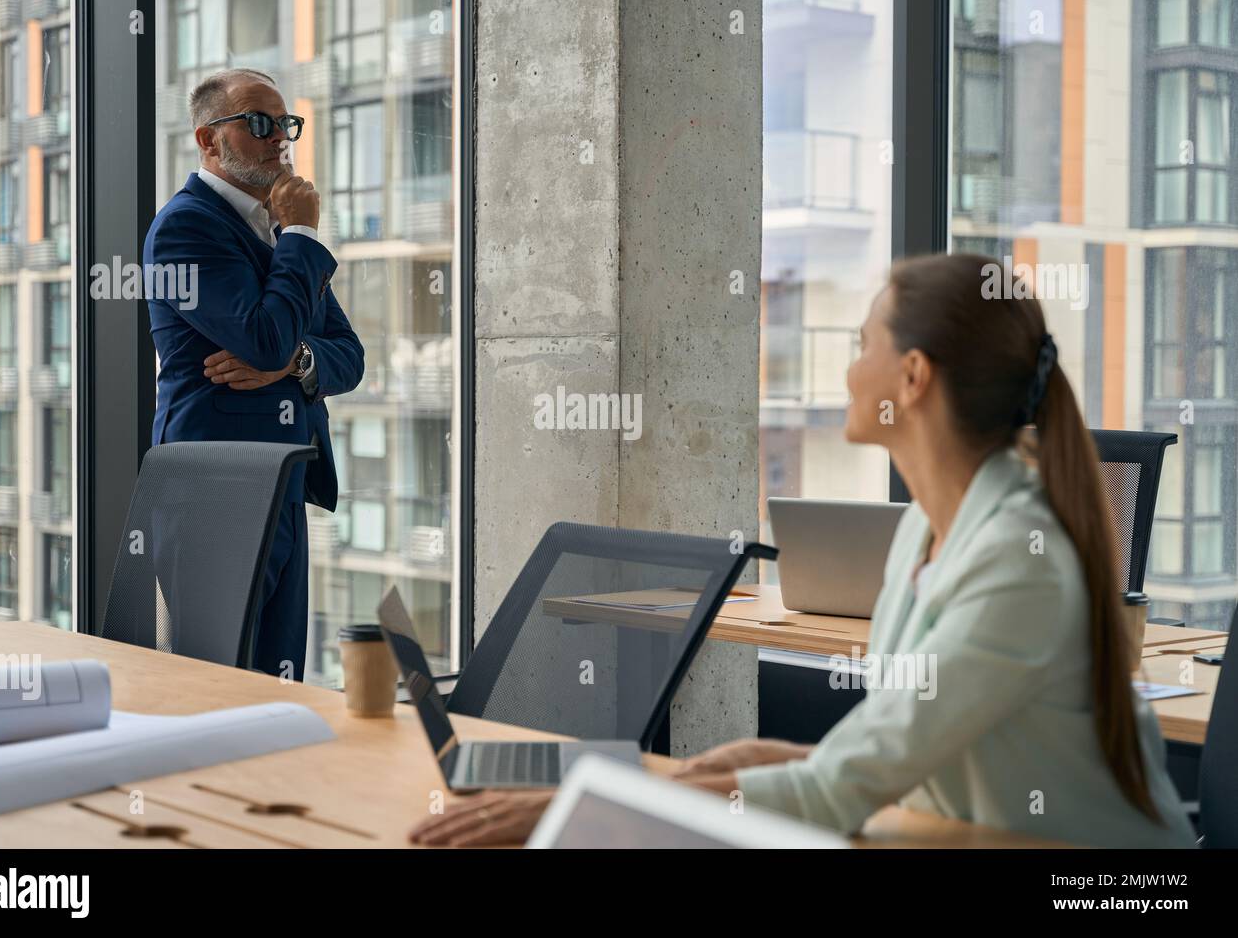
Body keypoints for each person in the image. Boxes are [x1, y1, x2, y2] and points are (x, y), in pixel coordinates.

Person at [411, 253, 1196, 848]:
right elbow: (899, 749)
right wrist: (753, 763)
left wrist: (577, 808)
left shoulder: (1016, 566)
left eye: (863, 345)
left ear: (913, 377)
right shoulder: (926, 530)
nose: (850, 370)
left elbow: (841, 793)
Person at [143, 68, 364, 681]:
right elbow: (266, 337)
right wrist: (300, 233)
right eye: (259, 124)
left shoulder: (274, 230)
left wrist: (294, 361)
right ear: (208, 141)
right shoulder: (184, 229)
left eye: (285, 124)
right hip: (213, 493)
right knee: (215, 686)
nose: (280, 139)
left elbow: (348, 353)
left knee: (278, 681)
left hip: (283, 484)